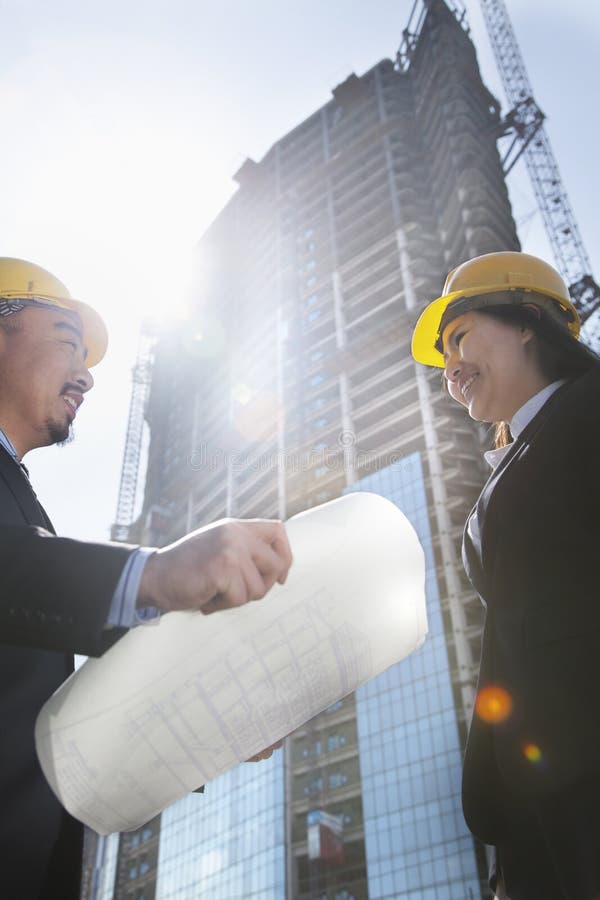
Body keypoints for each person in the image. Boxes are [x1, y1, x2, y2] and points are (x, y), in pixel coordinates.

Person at [0, 257, 293, 899]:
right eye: (67, 344)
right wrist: (153, 573)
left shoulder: (22, 501)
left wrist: (205, 724)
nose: (86, 377)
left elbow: (46, 719)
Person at [411, 251, 600, 900]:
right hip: (542, 819)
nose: (450, 369)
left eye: (459, 337)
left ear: (526, 321)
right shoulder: (516, 458)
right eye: (442, 358)